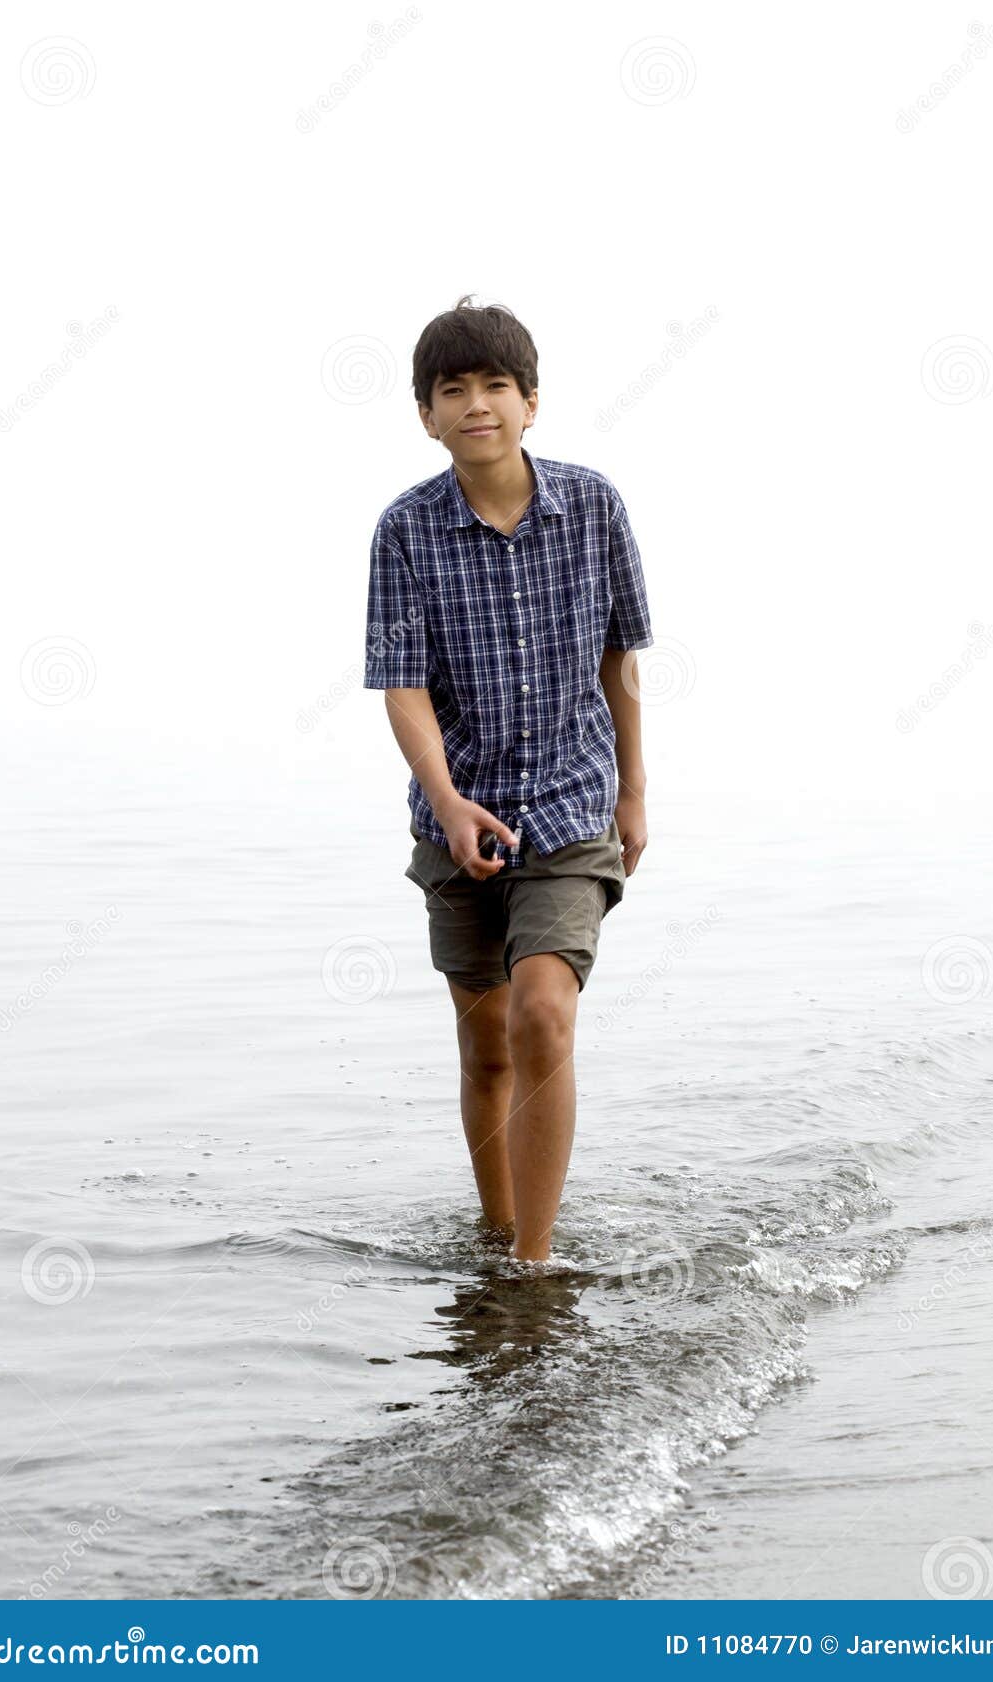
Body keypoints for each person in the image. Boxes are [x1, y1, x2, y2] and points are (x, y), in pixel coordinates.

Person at [362, 294, 654, 1263]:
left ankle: (531, 1268)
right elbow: (401, 689)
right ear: (426, 414)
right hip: (458, 817)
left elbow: (619, 661)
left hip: (571, 809)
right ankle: (493, 1237)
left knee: (541, 1009)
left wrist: (633, 794)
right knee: (485, 1037)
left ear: (530, 402)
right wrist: (445, 804)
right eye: (453, 389)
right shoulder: (403, 531)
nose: (475, 403)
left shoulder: (594, 505)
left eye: (496, 385)